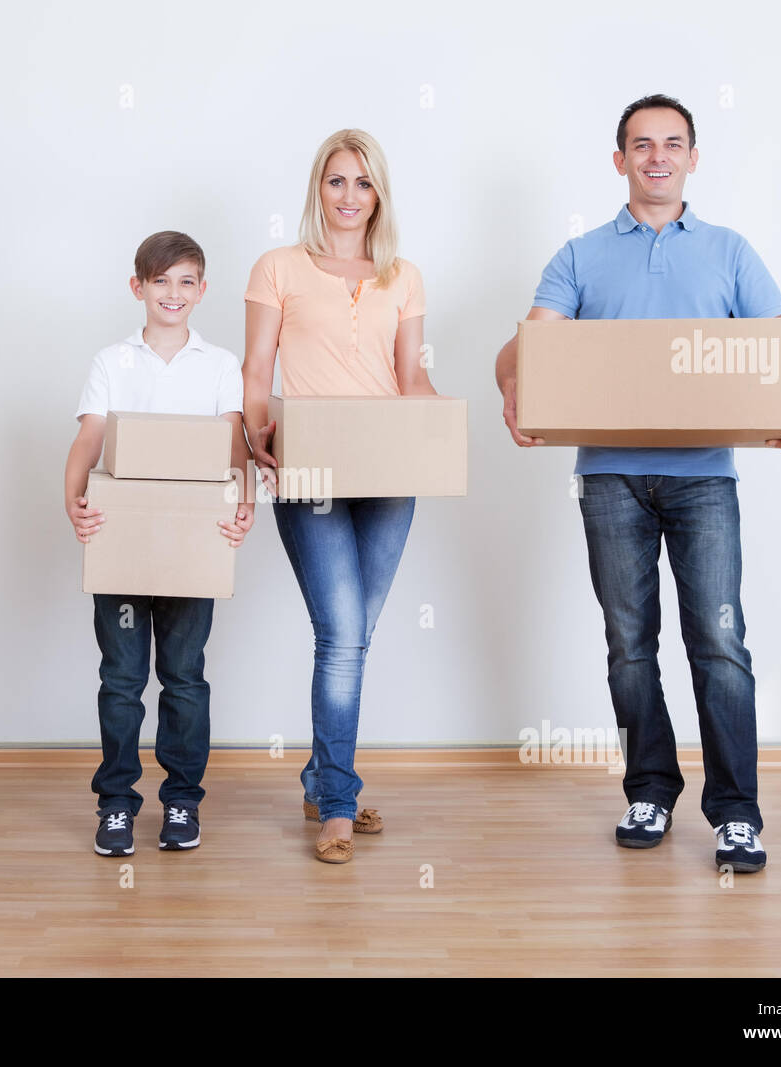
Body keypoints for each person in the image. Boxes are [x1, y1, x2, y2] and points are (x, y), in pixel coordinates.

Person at [494, 94, 781, 873]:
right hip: (608, 475)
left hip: (705, 476)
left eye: (673, 143)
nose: (658, 156)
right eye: (642, 144)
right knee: (630, 644)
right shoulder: (579, 256)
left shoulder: (730, 251)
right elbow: (525, 350)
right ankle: (649, 789)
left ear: (693, 158)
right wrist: (514, 390)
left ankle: (736, 813)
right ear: (620, 161)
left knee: (720, 641)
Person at [244, 129, 439, 864]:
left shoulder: (404, 276)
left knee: (353, 635)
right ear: (317, 190)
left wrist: (445, 419)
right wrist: (254, 430)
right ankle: (337, 803)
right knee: (342, 637)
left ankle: (322, 774)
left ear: (378, 193)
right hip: (313, 473)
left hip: (389, 475)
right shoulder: (278, 268)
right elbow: (257, 365)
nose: (349, 196)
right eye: (336, 181)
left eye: (362, 183)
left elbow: (411, 377)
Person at [65, 231, 253, 856]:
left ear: (202, 290)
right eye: (160, 281)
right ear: (137, 287)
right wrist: (73, 502)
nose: (173, 294)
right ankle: (116, 804)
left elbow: (233, 449)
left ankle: (181, 803)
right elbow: (90, 440)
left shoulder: (220, 365)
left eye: (186, 282)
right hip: (122, 541)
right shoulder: (111, 361)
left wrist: (244, 503)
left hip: (193, 543)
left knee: (184, 677)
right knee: (121, 679)